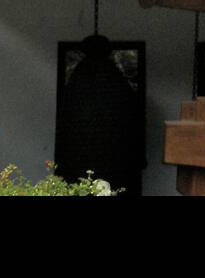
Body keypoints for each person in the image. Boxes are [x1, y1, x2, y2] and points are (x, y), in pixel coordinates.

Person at [55, 34, 143, 195]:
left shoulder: (78, 80)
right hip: (115, 160)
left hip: (79, 160)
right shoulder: (116, 81)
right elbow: (133, 121)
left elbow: (65, 125)